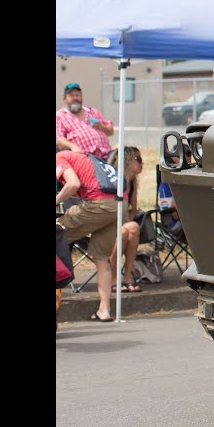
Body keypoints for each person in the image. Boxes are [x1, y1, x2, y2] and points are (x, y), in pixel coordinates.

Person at [56, 149, 118, 322]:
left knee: (58, 234)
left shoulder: (59, 158)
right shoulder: (87, 159)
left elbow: (73, 184)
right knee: (102, 258)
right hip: (118, 205)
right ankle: (104, 310)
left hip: (98, 204)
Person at [109, 147, 146, 293]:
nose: (142, 162)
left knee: (132, 227)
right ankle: (113, 277)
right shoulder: (114, 181)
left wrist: (125, 223)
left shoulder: (132, 184)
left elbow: (133, 210)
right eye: (138, 159)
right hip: (106, 224)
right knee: (125, 231)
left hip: (122, 224)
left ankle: (128, 276)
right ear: (127, 161)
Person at [56, 83, 114, 157]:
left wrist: (102, 126)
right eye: (71, 96)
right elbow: (59, 139)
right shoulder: (60, 116)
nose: (75, 98)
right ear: (65, 100)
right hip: (85, 157)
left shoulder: (93, 111)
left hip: (107, 154)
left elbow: (110, 132)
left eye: (77, 95)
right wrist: (72, 146)